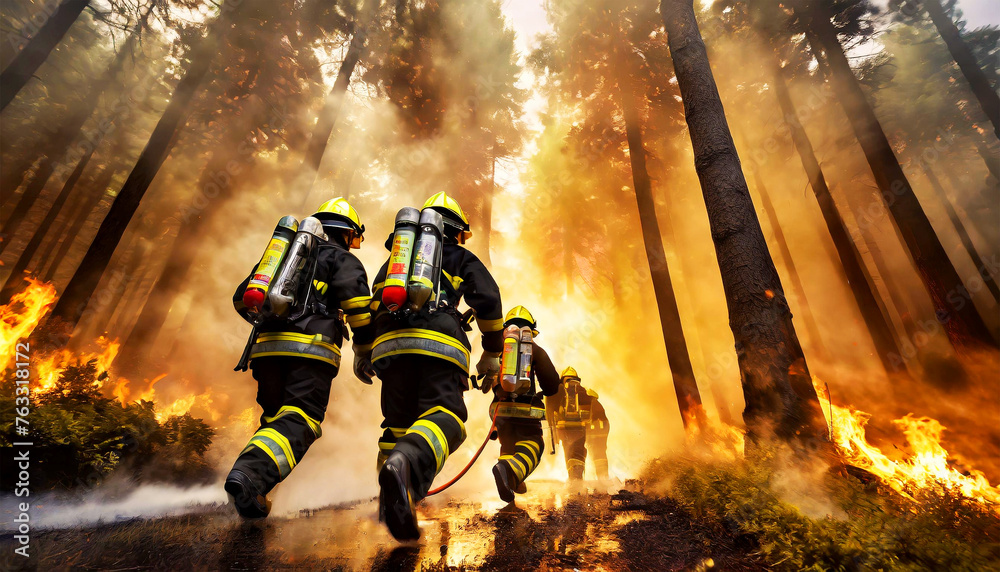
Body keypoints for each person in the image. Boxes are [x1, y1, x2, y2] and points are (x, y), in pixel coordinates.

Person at [365, 191, 504, 540]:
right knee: (446, 418)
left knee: (398, 426)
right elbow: (487, 298)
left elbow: (371, 306)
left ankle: (398, 499)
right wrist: (492, 350)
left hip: (389, 349)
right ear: (456, 231)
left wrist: (364, 350)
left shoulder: (392, 266)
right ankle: (406, 465)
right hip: (437, 346)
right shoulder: (458, 255)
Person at [225, 197, 375, 518]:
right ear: (347, 234)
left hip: (266, 351)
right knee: (302, 417)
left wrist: (270, 323)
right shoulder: (340, 258)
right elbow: (359, 305)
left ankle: (254, 493)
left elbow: (242, 298)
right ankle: (250, 474)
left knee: (276, 418)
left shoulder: (279, 260)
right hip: (311, 350)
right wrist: (364, 349)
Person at [484, 306, 561, 503]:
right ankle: (510, 471)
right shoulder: (534, 349)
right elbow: (552, 385)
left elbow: (486, 379)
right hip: (526, 411)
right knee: (533, 444)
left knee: (508, 445)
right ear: (531, 330)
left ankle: (512, 480)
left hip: (500, 413)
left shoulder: (498, 351)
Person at [546, 367, 609, 481]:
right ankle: (604, 481)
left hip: (571, 429)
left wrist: (553, 438)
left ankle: (576, 483)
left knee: (574, 455)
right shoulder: (588, 393)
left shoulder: (558, 394)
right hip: (598, 427)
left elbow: (550, 415)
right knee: (599, 454)